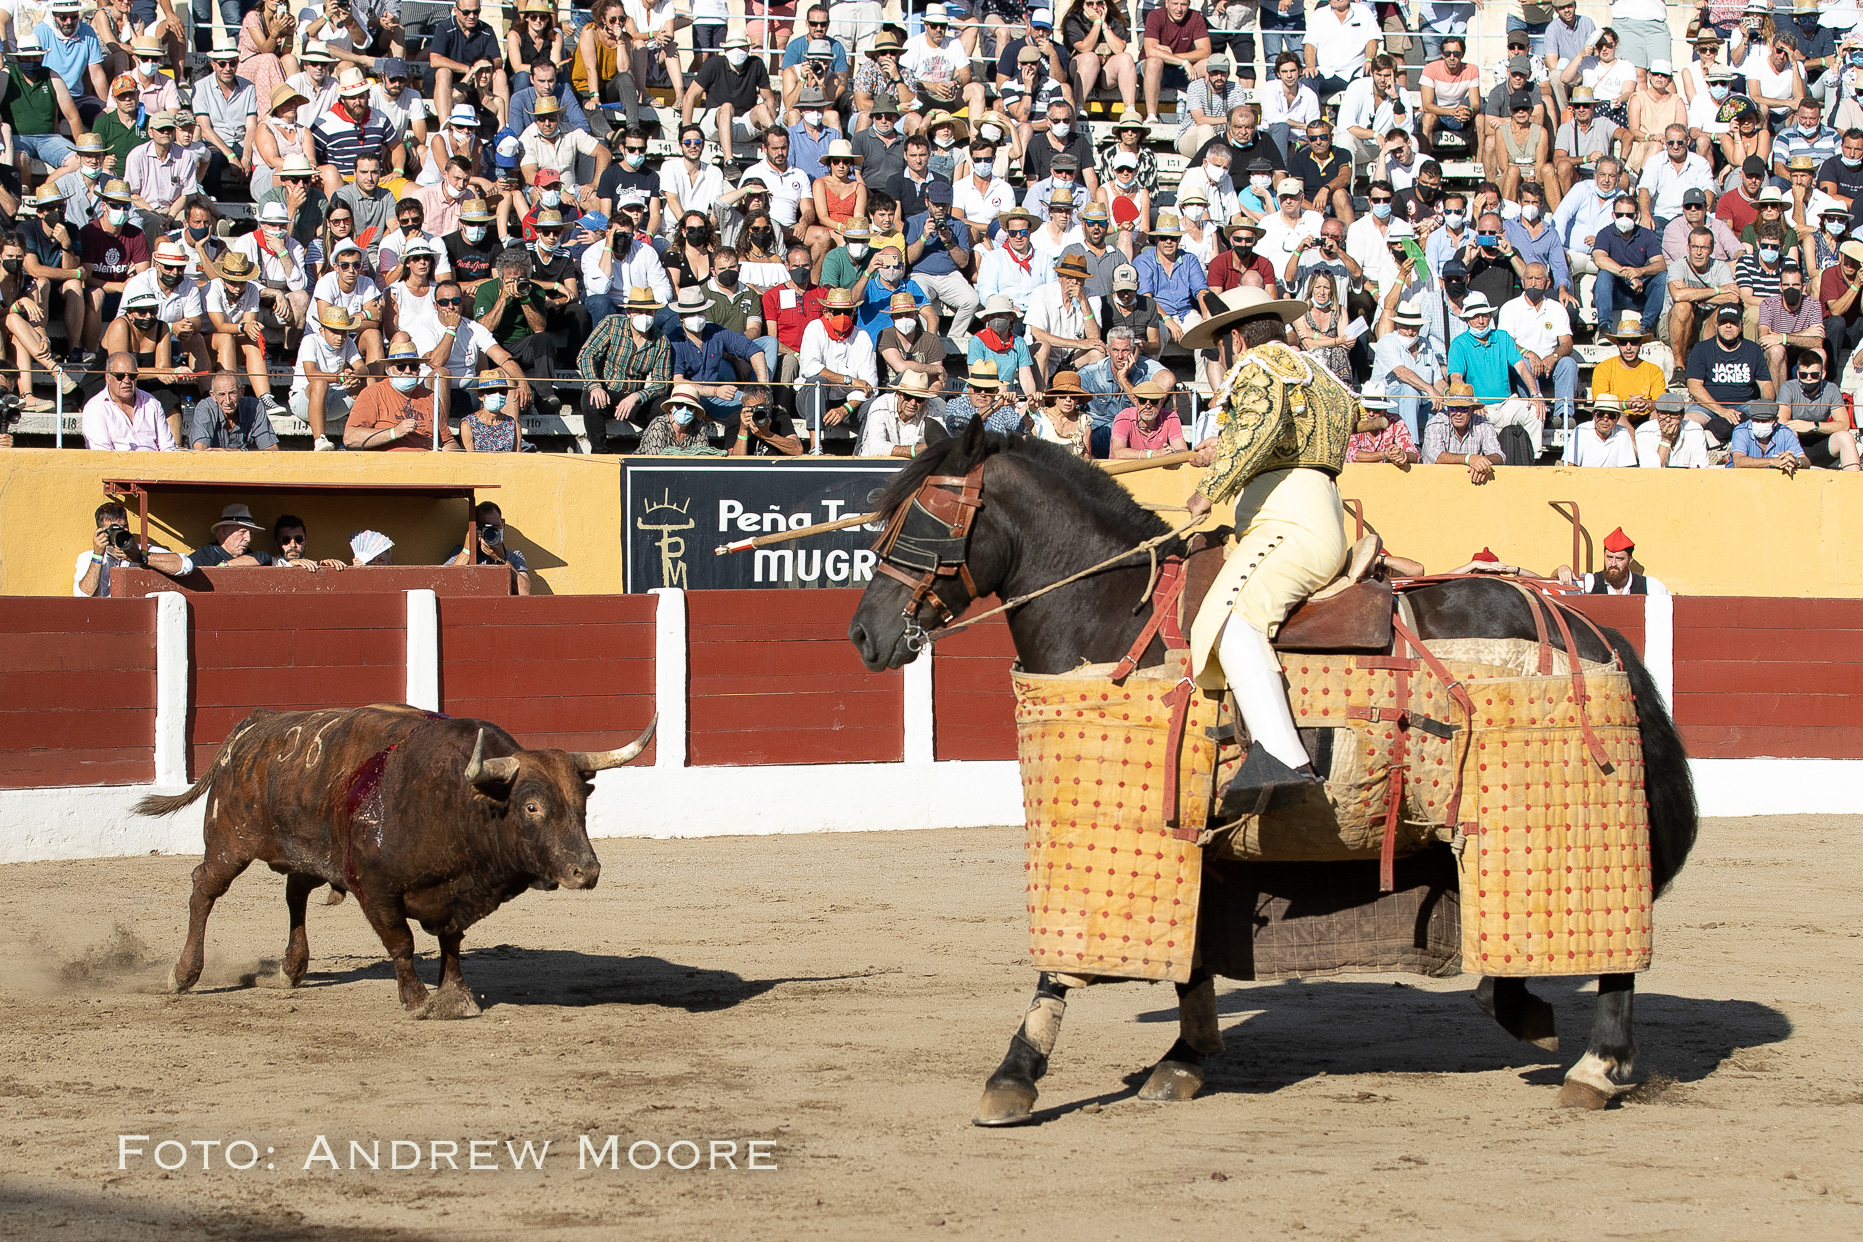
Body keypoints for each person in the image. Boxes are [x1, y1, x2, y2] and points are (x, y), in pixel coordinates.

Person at [1177, 284, 1348, 805]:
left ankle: (1283, 757)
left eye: (1216, 347)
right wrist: (1220, 444)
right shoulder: (1318, 373)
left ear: (1233, 339)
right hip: (1320, 513)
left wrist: (1210, 487)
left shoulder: (1261, 367)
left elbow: (1263, 424)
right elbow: (1340, 422)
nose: (1217, 357)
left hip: (1287, 524)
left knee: (1231, 622)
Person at [579, 285, 673, 453]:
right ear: (629, 312)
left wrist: (637, 396)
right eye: (638, 311)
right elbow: (587, 354)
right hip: (607, 390)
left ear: (655, 314)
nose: (644, 317)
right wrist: (595, 386)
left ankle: (651, 448)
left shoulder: (661, 342)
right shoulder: (611, 324)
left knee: (665, 407)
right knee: (590, 399)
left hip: (634, 397)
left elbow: (662, 382)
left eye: (649, 312)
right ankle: (600, 452)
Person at [343, 335, 457, 451]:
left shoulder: (430, 396)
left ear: (419, 369)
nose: (407, 371)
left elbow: (447, 441)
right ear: (388, 369)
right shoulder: (372, 394)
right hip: (388, 465)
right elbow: (350, 438)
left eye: (413, 366)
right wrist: (394, 432)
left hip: (426, 464)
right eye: (401, 366)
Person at [1687, 303, 1774, 444]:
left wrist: (1764, 408)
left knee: (1764, 424)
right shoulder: (1701, 349)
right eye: (1723, 322)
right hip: (1708, 405)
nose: (1728, 326)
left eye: (1733, 322)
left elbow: (1766, 385)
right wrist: (1721, 411)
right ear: (1716, 325)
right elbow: (1694, 386)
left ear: (1741, 325)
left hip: (1745, 404)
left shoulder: (1754, 349)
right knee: (1689, 423)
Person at [75, 501, 190, 596]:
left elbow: (185, 565)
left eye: (124, 527)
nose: (119, 533)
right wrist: (97, 555)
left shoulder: (140, 550)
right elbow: (83, 595)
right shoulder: (88, 557)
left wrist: (140, 556)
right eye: (114, 529)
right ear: (101, 531)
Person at [1592, 195, 1667, 339]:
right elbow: (1600, 259)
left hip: (1638, 292)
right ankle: (1604, 327)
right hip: (1614, 292)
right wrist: (1629, 276)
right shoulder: (1604, 234)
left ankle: (1647, 326)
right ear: (1613, 215)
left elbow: (1660, 264)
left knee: (1663, 278)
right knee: (1604, 274)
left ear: (1637, 216)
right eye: (1620, 214)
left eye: (1629, 215)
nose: (1624, 218)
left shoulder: (1646, 235)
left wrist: (1640, 271)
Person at [1776, 349, 1862, 469]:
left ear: (1823, 374)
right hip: (1795, 446)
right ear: (1797, 374)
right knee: (1789, 432)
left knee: (1845, 437)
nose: (1809, 379)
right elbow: (1782, 422)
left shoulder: (1831, 389)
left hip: (1820, 444)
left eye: (1814, 375)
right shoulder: (1788, 387)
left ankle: (1852, 483)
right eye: (1804, 375)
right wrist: (1803, 428)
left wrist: (1813, 426)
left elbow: (1844, 424)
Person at [80, 351, 177, 450]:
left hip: (155, 464)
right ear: (107, 377)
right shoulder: (95, 408)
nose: (126, 381)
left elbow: (168, 447)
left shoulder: (152, 403)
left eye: (132, 376)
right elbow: (102, 453)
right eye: (120, 376)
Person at [1758, 262, 1827, 388]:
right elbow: (1764, 338)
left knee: (1819, 352)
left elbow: (1817, 342)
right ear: (1780, 287)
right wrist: (1806, 333)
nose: (1791, 288)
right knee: (1776, 350)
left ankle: (1812, 400)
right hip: (1777, 358)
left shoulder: (1813, 305)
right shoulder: (1768, 304)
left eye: (1795, 285)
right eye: (1786, 285)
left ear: (1803, 287)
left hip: (1802, 355)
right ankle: (1781, 403)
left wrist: (1782, 338)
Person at [1420, 381, 1504, 483]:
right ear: (1448, 409)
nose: (1458, 413)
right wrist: (1470, 459)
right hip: (1436, 482)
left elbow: (1499, 456)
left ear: (1472, 410)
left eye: (1464, 409)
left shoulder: (1483, 425)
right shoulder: (1436, 423)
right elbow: (1436, 456)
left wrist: (1481, 463)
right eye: (1453, 408)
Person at [1554, 527, 1669, 595]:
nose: (1613, 564)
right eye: (1609, 557)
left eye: (1619, 559)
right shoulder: (1590, 582)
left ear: (1630, 561)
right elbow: (1554, 584)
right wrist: (1562, 569)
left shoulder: (1651, 586)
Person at [855, 371, 944, 457]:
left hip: (913, 466)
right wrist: (913, 451)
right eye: (908, 396)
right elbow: (876, 447)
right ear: (898, 393)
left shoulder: (931, 406)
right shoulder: (881, 404)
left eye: (919, 398)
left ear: (925, 399)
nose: (913, 403)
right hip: (875, 464)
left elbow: (941, 441)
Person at [448, 501, 530, 594]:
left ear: (503, 524)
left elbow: (525, 592)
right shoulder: (461, 552)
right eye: (486, 528)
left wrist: (501, 559)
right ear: (477, 529)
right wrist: (467, 551)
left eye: (496, 526)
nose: (492, 532)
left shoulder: (515, 556)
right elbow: (446, 585)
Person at [188, 372, 278, 450]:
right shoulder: (205, 408)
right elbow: (200, 450)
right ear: (213, 395)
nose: (227, 401)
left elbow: (272, 450)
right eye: (221, 394)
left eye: (232, 393)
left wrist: (239, 452)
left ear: (241, 392)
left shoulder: (255, 407)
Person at [1561, 394, 1638, 466]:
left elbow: (1625, 469)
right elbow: (1570, 466)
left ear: (1617, 418)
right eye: (1601, 414)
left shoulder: (1623, 432)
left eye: (1611, 415)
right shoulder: (1581, 430)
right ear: (1594, 415)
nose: (1605, 419)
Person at [192, 503, 275, 567]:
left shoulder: (250, 555)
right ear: (224, 531)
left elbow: (264, 557)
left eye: (251, 533)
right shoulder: (202, 557)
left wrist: (225, 565)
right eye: (242, 532)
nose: (248, 538)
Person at [1636, 400, 1712, 468]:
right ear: (1657, 414)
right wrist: (1666, 440)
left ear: (1682, 415)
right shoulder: (1644, 431)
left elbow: (1700, 465)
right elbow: (1650, 471)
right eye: (1663, 414)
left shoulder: (1695, 429)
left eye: (1673, 414)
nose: (1668, 419)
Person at [272, 515, 348, 571]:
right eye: (286, 540)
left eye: (299, 539)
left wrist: (328, 569)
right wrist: (290, 564)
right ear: (277, 544)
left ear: (306, 543)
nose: (293, 545)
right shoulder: (268, 563)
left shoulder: (314, 566)